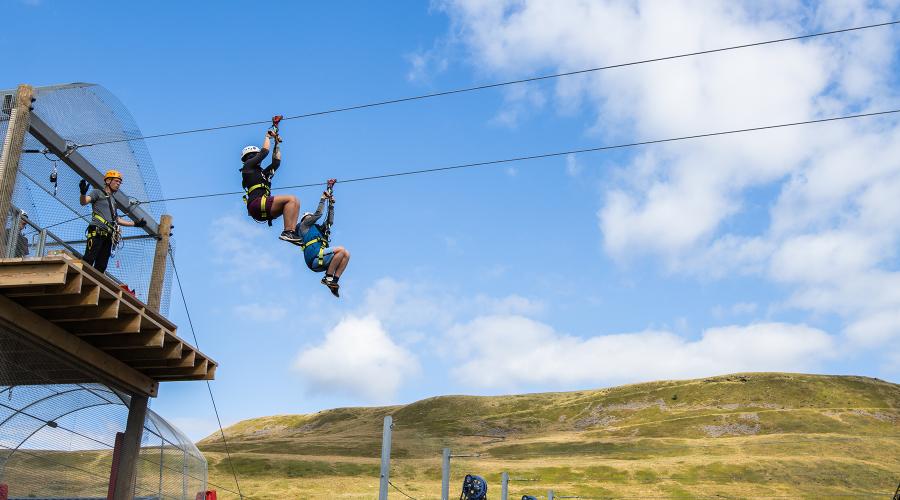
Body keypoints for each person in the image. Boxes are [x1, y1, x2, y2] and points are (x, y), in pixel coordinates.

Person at [240, 127, 302, 243]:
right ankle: (287, 232)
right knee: (291, 200)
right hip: (256, 204)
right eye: (254, 155)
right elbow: (264, 152)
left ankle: (291, 232)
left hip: (261, 209)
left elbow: (276, 163)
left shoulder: (262, 173)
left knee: (295, 203)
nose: (256, 158)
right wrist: (268, 137)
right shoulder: (247, 167)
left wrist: (277, 144)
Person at [78, 170, 146, 273]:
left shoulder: (113, 201)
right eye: (116, 181)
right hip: (97, 231)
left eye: (120, 182)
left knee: (101, 266)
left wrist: (135, 224)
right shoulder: (97, 192)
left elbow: (116, 219)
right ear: (108, 181)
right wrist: (83, 193)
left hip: (109, 235)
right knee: (89, 259)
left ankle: (93, 285)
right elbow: (83, 202)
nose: (118, 184)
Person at [297, 188, 350, 297]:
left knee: (346, 254)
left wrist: (331, 205)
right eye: (308, 217)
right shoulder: (304, 226)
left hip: (320, 259)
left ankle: (333, 281)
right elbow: (318, 214)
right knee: (340, 250)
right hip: (314, 258)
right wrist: (323, 199)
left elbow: (329, 222)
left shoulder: (318, 230)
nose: (310, 218)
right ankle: (328, 277)